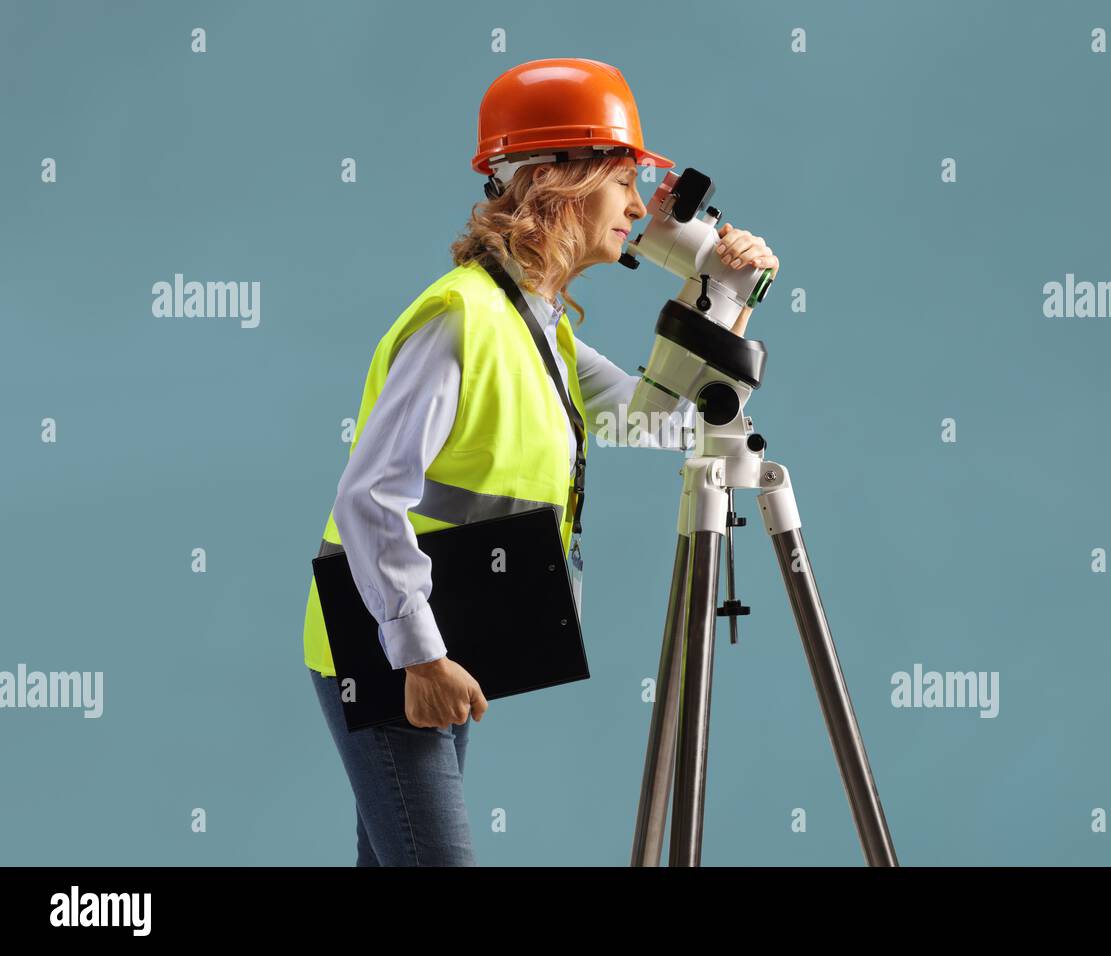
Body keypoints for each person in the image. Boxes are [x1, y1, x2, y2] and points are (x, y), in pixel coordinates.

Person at [302, 58, 779, 866]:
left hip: (443, 635)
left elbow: (653, 424)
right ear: (559, 180)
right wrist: (418, 653)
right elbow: (371, 499)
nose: (638, 206)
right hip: (389, 644)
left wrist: (722, 296)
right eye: (625, 179)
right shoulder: (463, 319)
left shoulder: (541, 325)